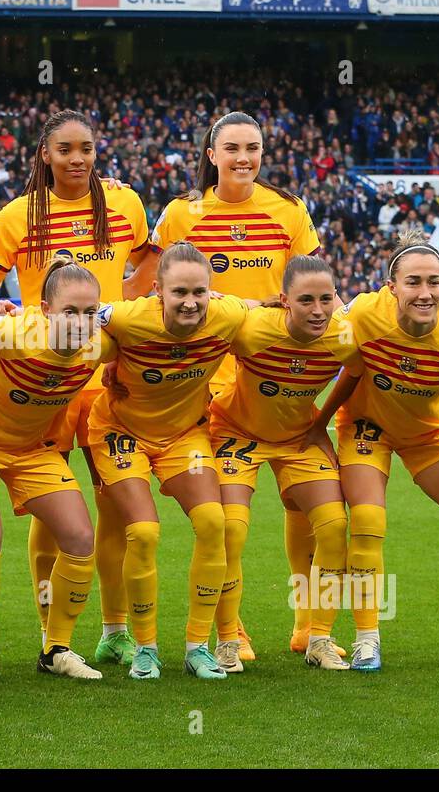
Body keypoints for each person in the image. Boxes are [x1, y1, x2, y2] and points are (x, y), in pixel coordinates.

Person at [0, 109, 151, 669]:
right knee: (50, 515)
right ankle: (49, 637)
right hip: (47, 375)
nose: (77, 158)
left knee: (113, 509)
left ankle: (114, 630)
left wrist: (122, 320)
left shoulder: (125, 203)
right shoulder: (19, 216)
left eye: (86, 147)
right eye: (64, 149)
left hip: (102, 372)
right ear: (44, 154)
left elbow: (149, 263)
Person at [128, 110, 325, 660]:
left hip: (280, 377)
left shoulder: (288, 211)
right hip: (211, 386)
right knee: (227, 518)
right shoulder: (180, 215)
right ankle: (230, 629)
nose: (244, 158)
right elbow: (149, 285)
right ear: (211, 154)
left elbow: (310, 286)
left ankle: (309, 624)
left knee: (303, 507)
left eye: (253, 148)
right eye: (232, 148)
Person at [310, 231, 439, 672]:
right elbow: (318, 341)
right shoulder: (362, 312)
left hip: (427, 433)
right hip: (367, 428)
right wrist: (315, 421)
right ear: (391, 286)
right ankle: (366, 639)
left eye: (433, 282)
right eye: (414, 282)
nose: (425, 292)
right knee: (366, 520)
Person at [89, 241, 262, 681]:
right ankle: (145, 647)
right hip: (120, 434)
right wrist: (7, 313)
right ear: (156, 292)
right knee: (143, 532)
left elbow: (265, 308)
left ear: (212, 292)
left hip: (185, 437)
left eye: (199, 292)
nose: (190, 302)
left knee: (213, 523)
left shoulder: (228, 314)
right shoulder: (127, 317)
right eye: (179, 292)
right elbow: (75, 314)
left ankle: (197, 647)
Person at [0, 257, 110, 681]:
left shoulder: (102, 344)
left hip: (32, 450)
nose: (81, 321)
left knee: (80, 537)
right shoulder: (14, 332)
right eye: (70, 311)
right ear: (47, 311)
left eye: (90, 312)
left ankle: (56, 649)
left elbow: (154, 325)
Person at [208, 255, 363, 672]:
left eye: (326, 299)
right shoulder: (253, 329)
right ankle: (227, 637)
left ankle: (316, 636)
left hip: (299, 436)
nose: (317, 310)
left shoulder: (344, 335)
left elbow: (355, 370)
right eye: (306, 300)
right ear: (285, 301)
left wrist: (324, 421)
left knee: (333, 525)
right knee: (231, 531)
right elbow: (200, 335)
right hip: (237, 431)